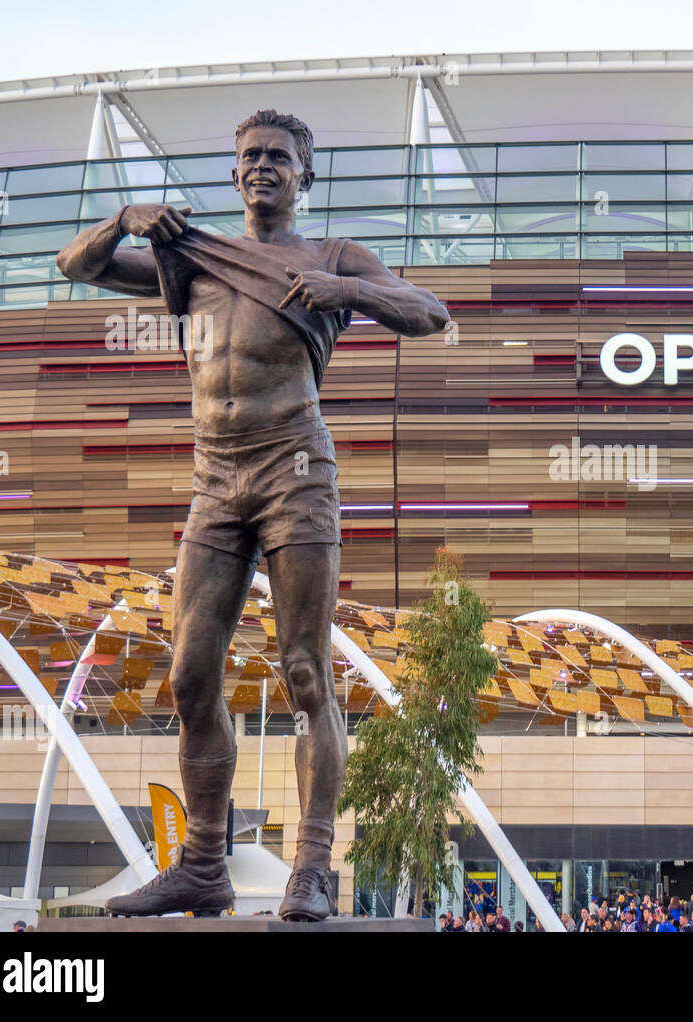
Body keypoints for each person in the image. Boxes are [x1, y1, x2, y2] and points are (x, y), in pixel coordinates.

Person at [58, 110, 447, 923]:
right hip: (214, 478)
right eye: (250, 156)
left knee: (305, 670)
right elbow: (77, 264)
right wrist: (123, 218)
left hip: (295, 470)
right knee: (191, 674)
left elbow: (431, 312)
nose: (262, 166)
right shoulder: (192, 255)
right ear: (235, 174)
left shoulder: (332, 257)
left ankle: (309, 868)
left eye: (279, 156)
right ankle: (202, 865)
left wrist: (352, 292)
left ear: (306, 175)